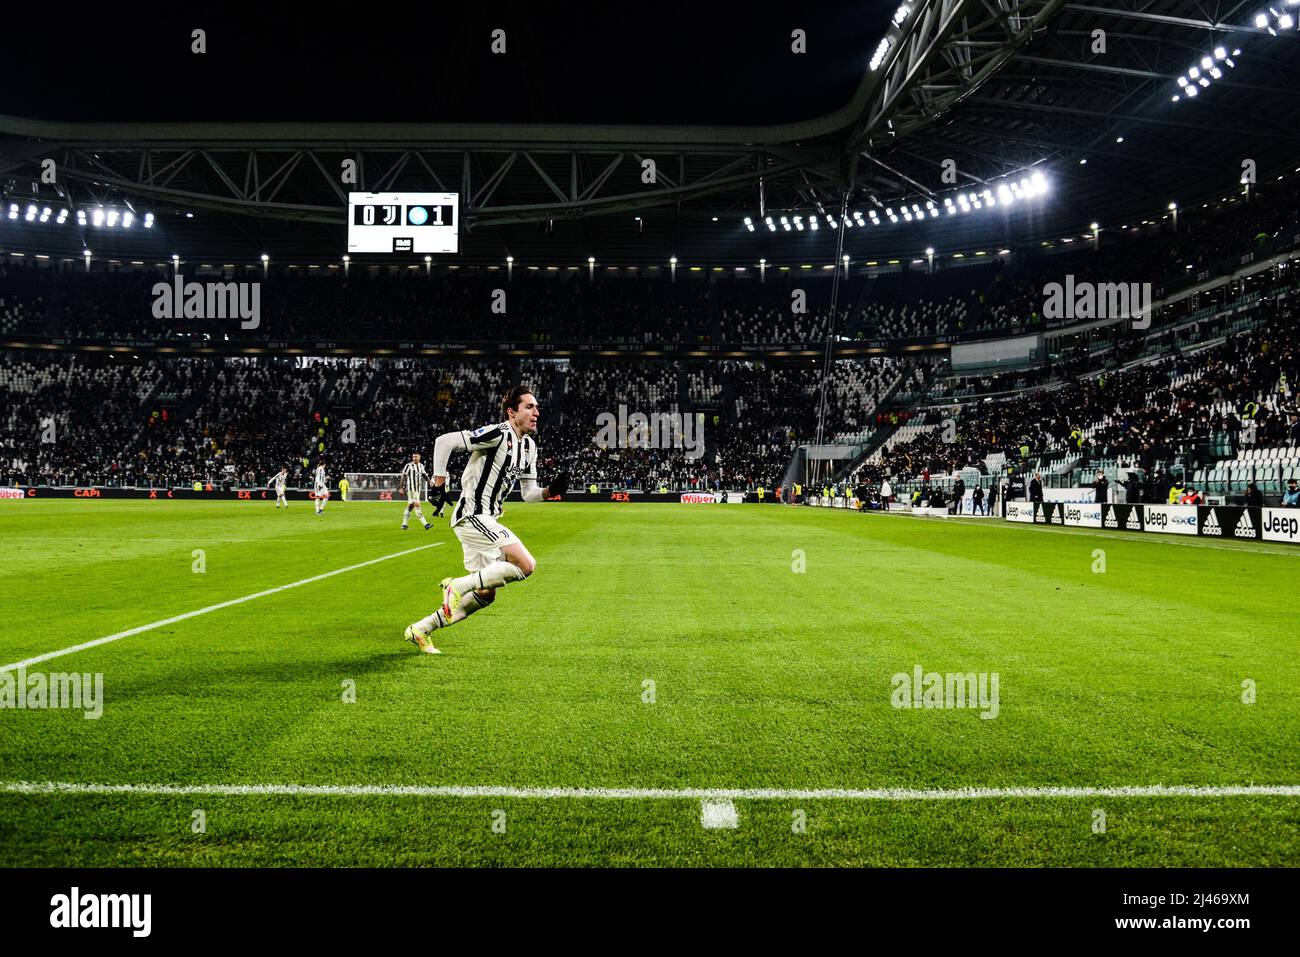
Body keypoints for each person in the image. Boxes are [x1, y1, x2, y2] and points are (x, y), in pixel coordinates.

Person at [404, 386, 569, 655]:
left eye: (537, 407)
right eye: (529, 407)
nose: (536, 412)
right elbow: (444, 442)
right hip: (473, 515)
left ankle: (421, 629)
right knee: (526, 564)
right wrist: (439, 480)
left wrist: (551, 492)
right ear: (512, 412)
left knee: (486, 594)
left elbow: (528, 494)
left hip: (485, 519)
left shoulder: (529, 447)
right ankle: (456, 585)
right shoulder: (498, 434)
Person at [398, 452, 432, 530]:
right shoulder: (408, 466)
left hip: (417, 490)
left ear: (419, 457)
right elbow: (403, 476)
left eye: (416, 457)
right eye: (413, 457)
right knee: (417, 505)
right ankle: (425, 524)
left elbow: (424, 475)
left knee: (410, 506)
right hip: (411, 489)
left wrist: (429, 482)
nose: (414, 458)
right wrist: (401, 487)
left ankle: (404, 524)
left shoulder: (421, 466)